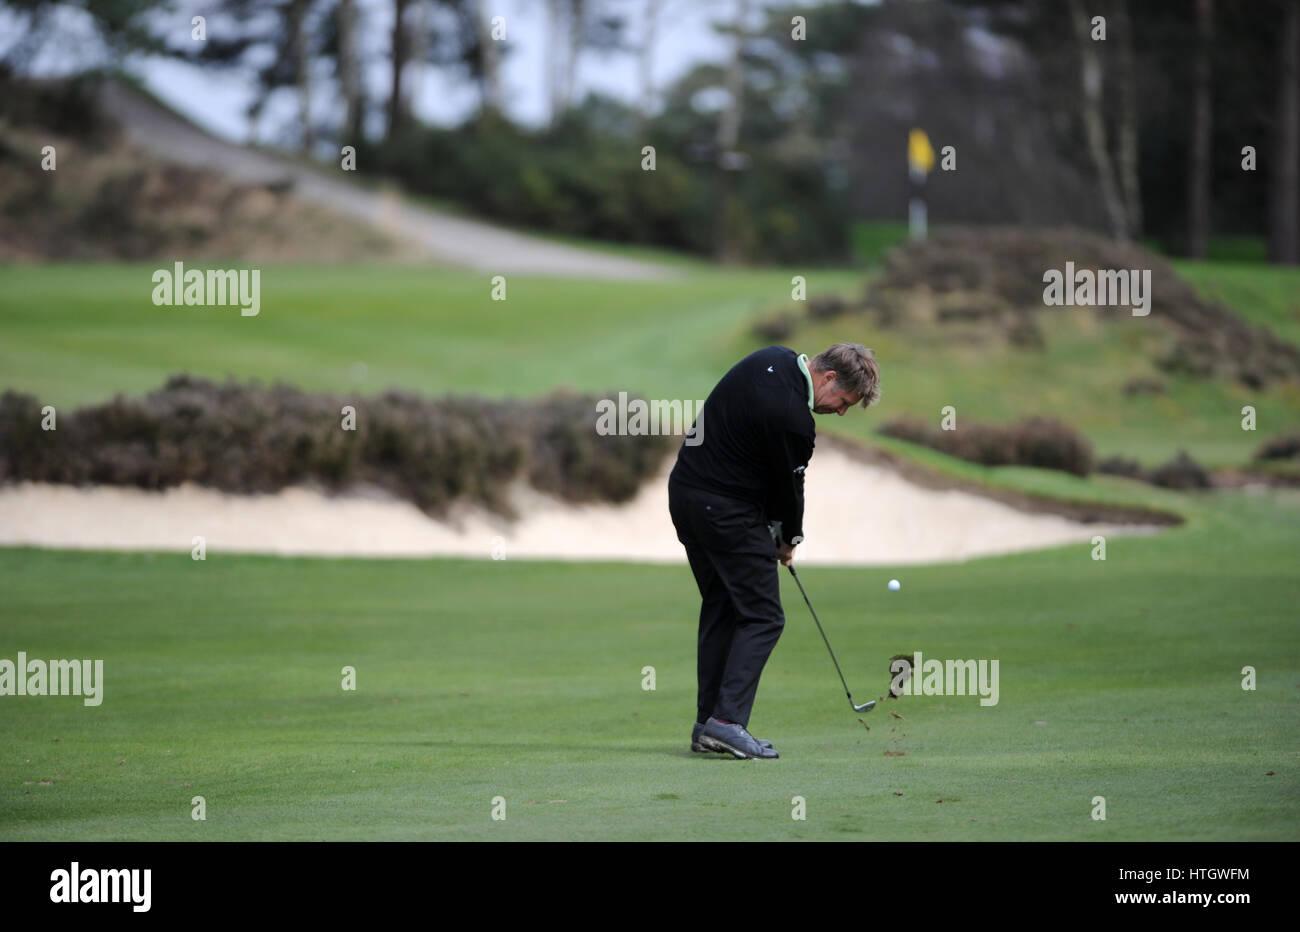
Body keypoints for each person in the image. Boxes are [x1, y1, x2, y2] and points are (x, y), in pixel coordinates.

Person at [668, 343, 881, 759]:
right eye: (843, 403)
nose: (840, 412)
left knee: (724, 606)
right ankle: (727, 722)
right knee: (764, 616)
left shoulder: (772, 357)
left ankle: (708, 724)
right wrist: (789, 540)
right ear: (829, 378)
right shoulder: (795, 420)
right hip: (724, 509)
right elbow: (789, 491)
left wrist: (774, 530)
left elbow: (756, 460)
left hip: (686, 495)